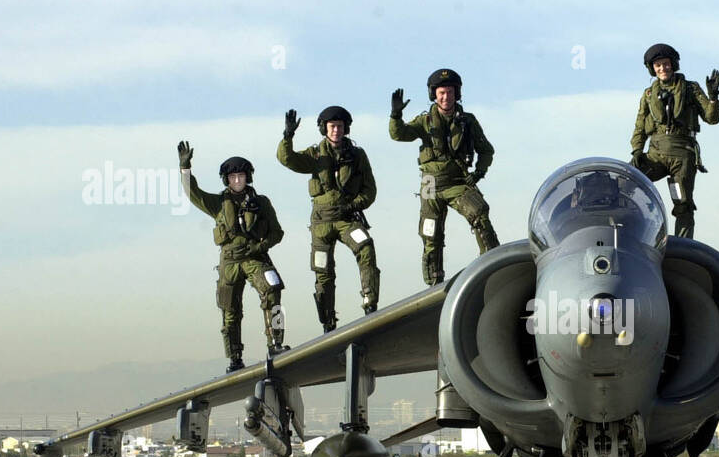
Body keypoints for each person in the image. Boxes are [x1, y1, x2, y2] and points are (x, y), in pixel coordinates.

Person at [178, 143, 287, 372]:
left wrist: (260, 246)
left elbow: (277, 232)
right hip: (229, 261)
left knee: (273, 291)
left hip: (255, 256)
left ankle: (275, 343)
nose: (237, 180)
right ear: (226, 180)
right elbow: (192, 193)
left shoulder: (262, 203)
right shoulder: (218, 204)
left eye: (241, 176)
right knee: (230, 311)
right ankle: (234, 357)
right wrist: (185, 168)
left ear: (248, 177)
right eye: (232, 177)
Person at [389, 69, 498, 285]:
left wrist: (478, 173)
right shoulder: (425, 121)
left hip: (457, 182)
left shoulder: (467, 121)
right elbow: (399, 134)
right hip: (430, 184)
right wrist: (395, 116)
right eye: (441, 92)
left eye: (449, 92)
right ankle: (433, 282)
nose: (445, 97)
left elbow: (486, 150)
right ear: (434, 94)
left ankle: (493, 265)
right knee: (431, 234)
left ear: (456, 93)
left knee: (479, 214)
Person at [277, 105, 379, 331]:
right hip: (321, 223)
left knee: (365, 247)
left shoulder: (357, 155)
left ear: (346, 129)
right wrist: (288, 136)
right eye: (332, 127)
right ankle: (327, 322)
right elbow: (287, 159)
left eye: (340, 127)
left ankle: (370, 304)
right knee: (323, 272)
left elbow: (370, 190)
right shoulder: (315, 155)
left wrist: (352, 205)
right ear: (324, 129)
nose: (336, 131)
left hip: (346, 218)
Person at [629, 43, 719, 238]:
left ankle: (684, 247)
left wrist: (713, 97)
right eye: (658, 65)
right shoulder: (648, 95)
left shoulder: (690, 88)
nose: (663, 69)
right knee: (626, 181)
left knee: (683, 203)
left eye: (666, 64)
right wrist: (637, 150)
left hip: (683, 154)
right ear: (652, 69)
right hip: (656, 154)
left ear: (673, 64)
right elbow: (639, 126)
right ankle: (634, 233)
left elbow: (712, 118)